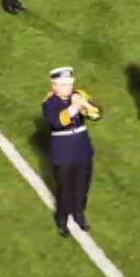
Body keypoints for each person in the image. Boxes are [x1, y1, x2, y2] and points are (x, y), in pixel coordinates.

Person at [43, 67, 97, 237]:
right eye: (64, 85)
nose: (68, 88)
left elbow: (97, 114)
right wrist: (74, 107)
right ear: (54, 86)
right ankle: (62, 220)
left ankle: (79, 213)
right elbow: (58, 121)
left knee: (82, 185)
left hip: (82, 146)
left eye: (70, 84)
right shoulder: (49, 102)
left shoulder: (80, 94)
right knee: (64, 188)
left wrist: (85, 105)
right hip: (63, 150)